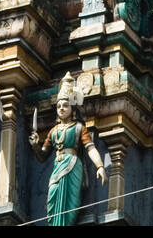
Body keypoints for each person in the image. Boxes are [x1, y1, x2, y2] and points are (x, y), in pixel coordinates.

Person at [29, 73, 107, 226]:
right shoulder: (54, 131)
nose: (61, 109)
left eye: (65, 106)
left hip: (72, 166)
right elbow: (43, 156)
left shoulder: (79, 128)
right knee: (53, 196)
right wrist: (35, 145)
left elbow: (90, 148)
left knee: (70, 204)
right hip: (58, 168)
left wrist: (100, 166)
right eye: (58, 106)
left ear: (73, 109)